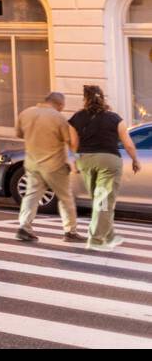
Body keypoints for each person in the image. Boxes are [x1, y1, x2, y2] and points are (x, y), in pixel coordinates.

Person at [69, 85, 142, 252]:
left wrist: (77, 159)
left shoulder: (76, 118)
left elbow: (73, 144)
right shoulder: (115, 118)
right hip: (109, 161)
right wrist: (135, 160)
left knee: (99, 200)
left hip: (85, 160)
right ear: (103, 98)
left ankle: (109, 235)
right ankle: (95, 239)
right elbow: (128, 144)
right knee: (103, 201)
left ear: (85, 99)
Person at [14, 91, 80, 242]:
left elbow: (19, 134)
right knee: (65, 198)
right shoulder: (59, 118)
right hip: (54, 165)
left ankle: (24, 228)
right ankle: (70, 231)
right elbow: (71, 142)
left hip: (32, 163)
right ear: (60, 104)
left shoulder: (26, 113)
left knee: (31, 196)